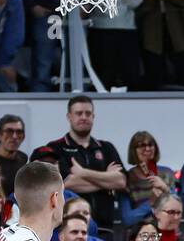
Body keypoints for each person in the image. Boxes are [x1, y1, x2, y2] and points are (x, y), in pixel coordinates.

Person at [30, 95, 126, 230]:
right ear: (69, 116)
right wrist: (106, 181)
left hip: (105, 229)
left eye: (88, 113)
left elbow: (120, 182)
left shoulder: (106, 148)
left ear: (93, 116)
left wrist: (83, 173)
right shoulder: (56, 148)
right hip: (68, 230)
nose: (84, 117)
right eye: (79, 113)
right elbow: (67, 183)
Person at [119, 130, 176, 227]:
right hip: (141, 234)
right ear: (133, 150)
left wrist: (165, 189)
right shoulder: (127, 178)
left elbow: (177, 208)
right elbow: (127, 219)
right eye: (142, 145)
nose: (147, 148)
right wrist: (151, 202)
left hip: (166, 232)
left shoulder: (167, 173)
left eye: (151, 145)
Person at [0, 114, 28, 199]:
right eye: (9, 131)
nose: (14, 136)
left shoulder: (23, 159)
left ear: (23, 137)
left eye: (19, 132)